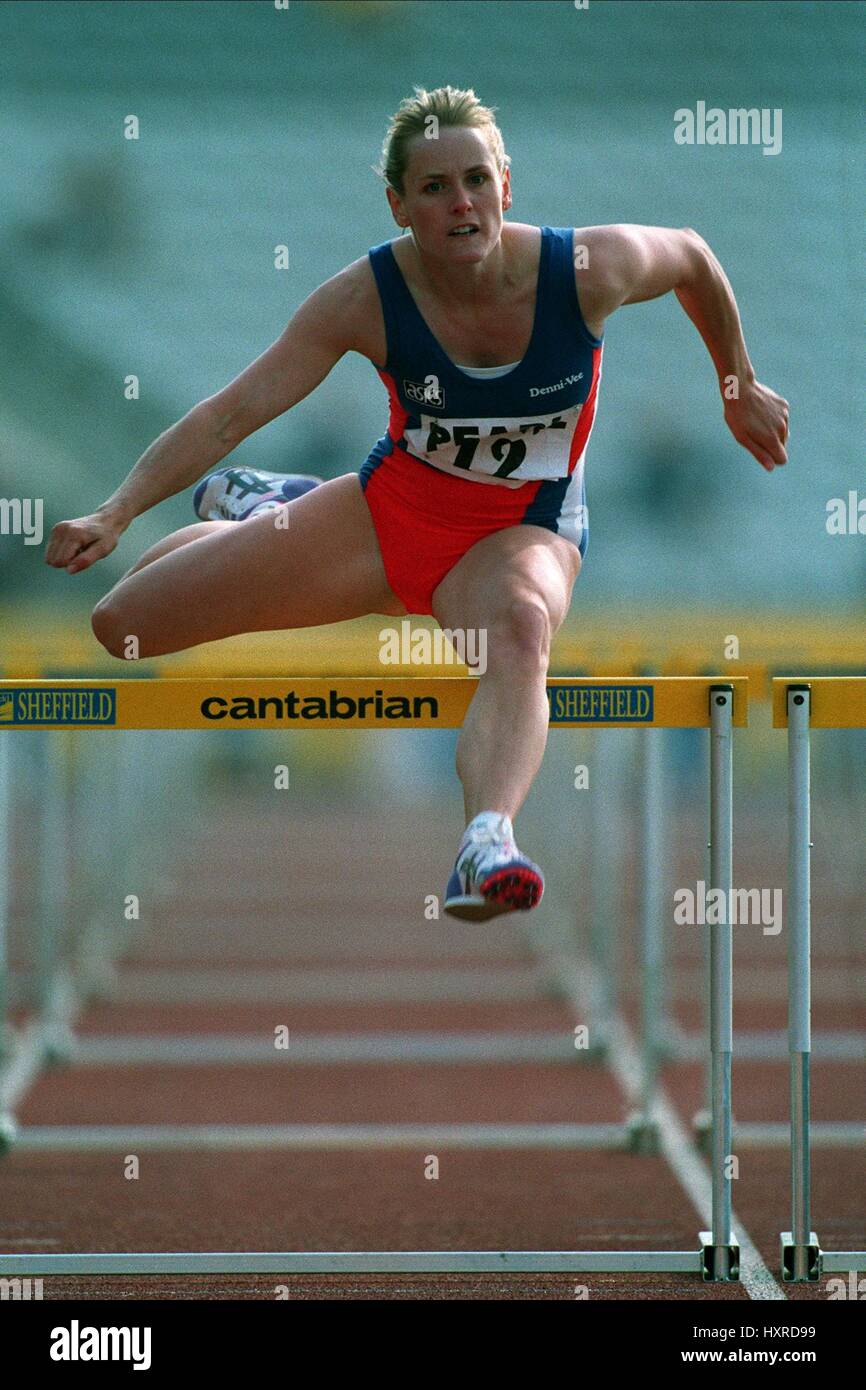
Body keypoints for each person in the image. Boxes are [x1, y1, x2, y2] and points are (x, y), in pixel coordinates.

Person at [44, 85, 789, 922]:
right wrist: (115, 512)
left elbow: (690, 253)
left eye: (476, 179)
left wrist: (738, 384)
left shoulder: (585, 270)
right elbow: (231, 411)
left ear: (508, 186)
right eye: (434, 187)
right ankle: (272, 509)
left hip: (520, 532)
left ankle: (487, 842)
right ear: (399, 205)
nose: (460, 202)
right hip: (390, 516)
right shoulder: (363, 298)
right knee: (125, 628)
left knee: (521, 626)